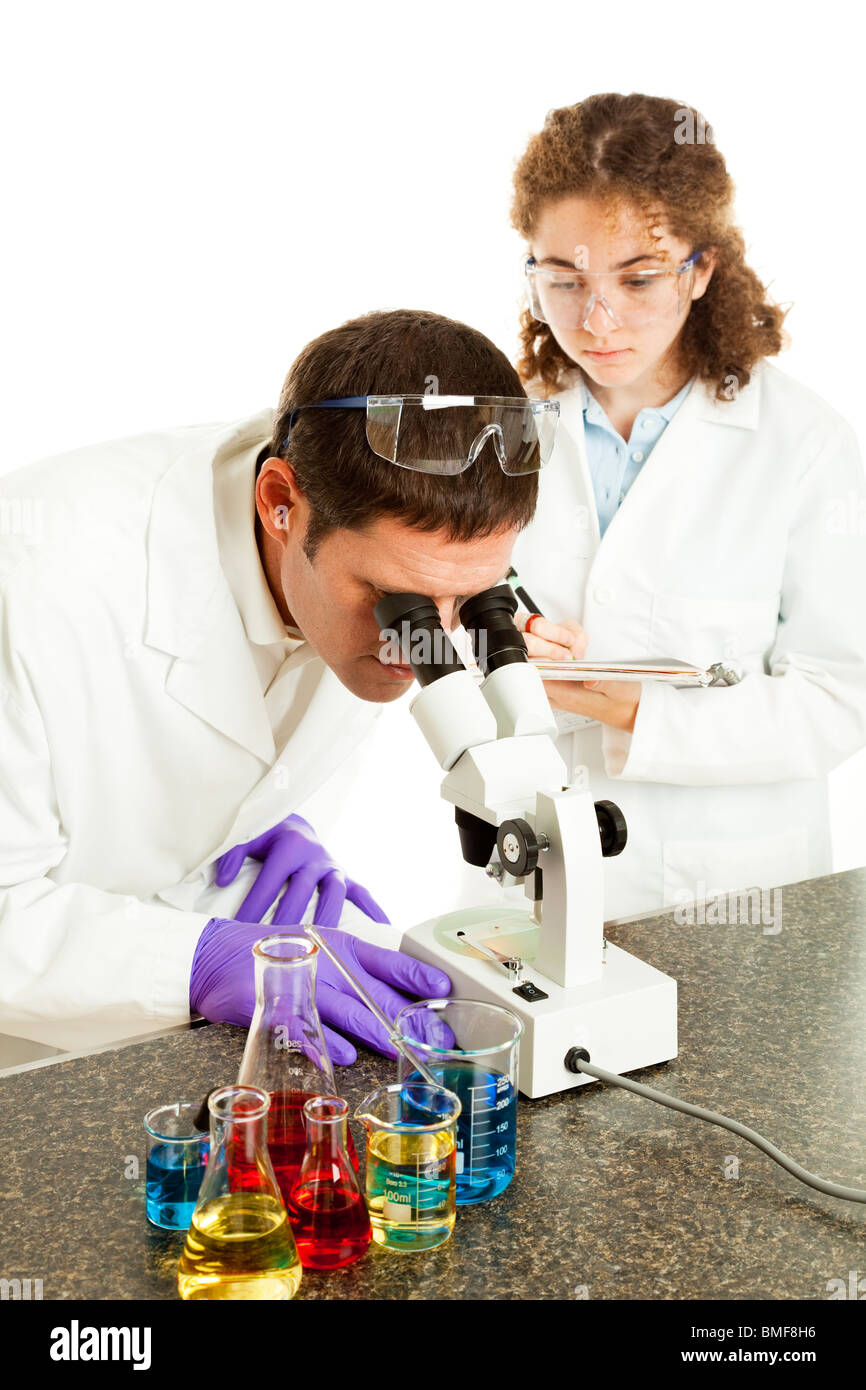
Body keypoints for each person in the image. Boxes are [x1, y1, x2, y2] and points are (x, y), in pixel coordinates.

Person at [0, 308, 542, 1057]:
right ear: (279, 502)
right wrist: (196, 961)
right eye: (398, 601)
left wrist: (257, 820)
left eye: (466, 601)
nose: (428, 640)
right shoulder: (37, 575)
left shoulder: (399, 552)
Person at [509, 93, 866, 921]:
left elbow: (841, 696)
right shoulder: (500, 423)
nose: (597, 320)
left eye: (638, 279)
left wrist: (636, 712)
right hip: (527, 879)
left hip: (734, 894)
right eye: (563, 280)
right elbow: (429, 616)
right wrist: (496, 637)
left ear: (699, 270)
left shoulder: (801, 441)